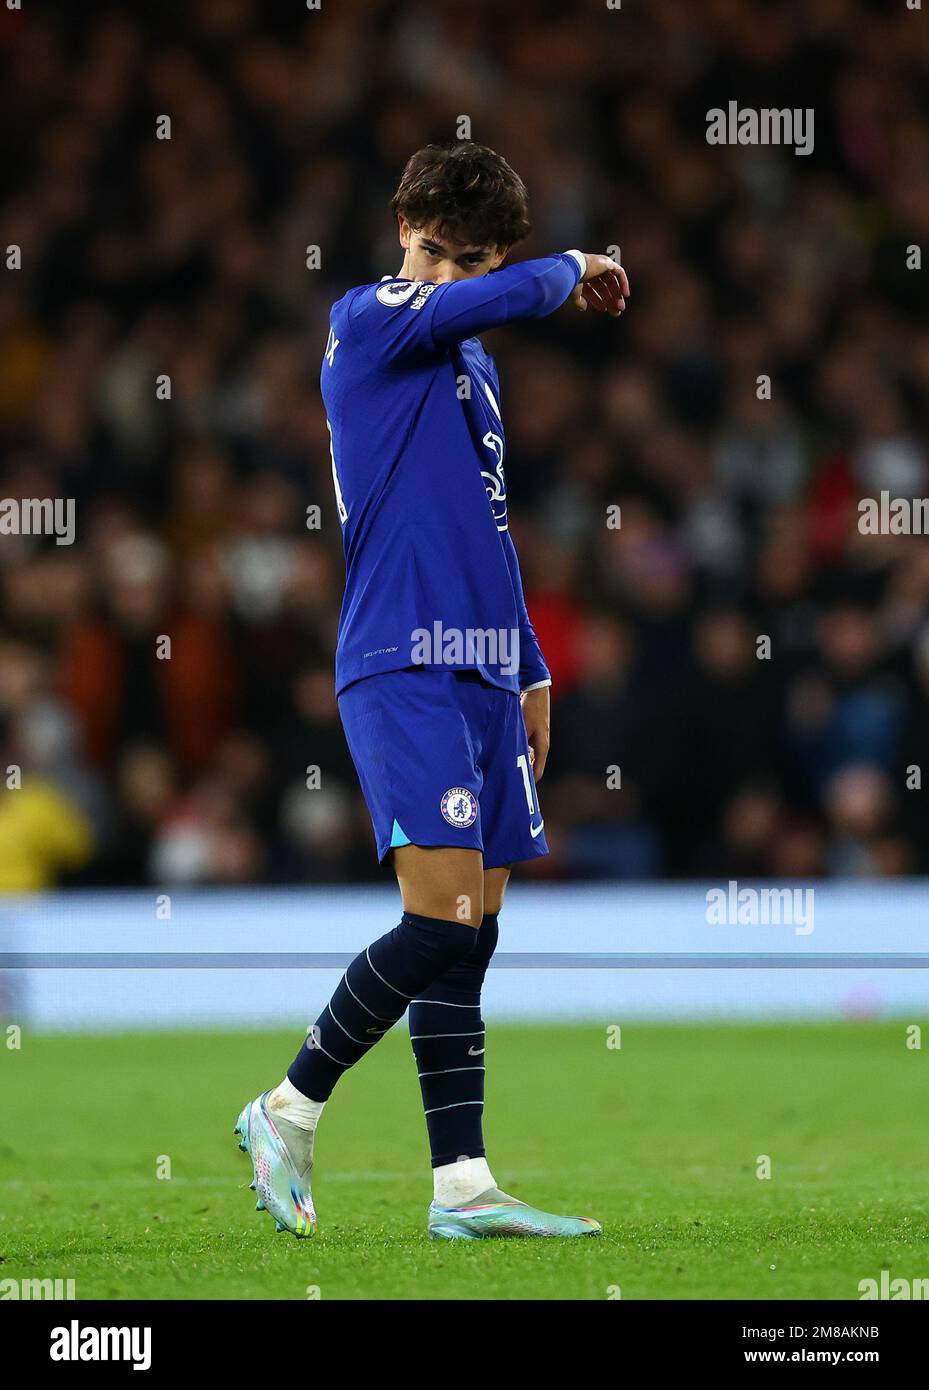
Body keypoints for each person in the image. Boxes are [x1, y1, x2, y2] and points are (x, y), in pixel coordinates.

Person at [235, 141, 628, 1239]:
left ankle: (460, 1184)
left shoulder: (474, 364)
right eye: (435, 256)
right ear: (402, 226)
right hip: (399, 656)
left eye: (470, 265)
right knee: (439, 917)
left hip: (483, 670)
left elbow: (490, 525)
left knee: (479, 927)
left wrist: (531, 663)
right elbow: (503, 294)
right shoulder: (366, 320)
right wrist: (577, 263)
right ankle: (286, 1107)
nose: (447, 282)